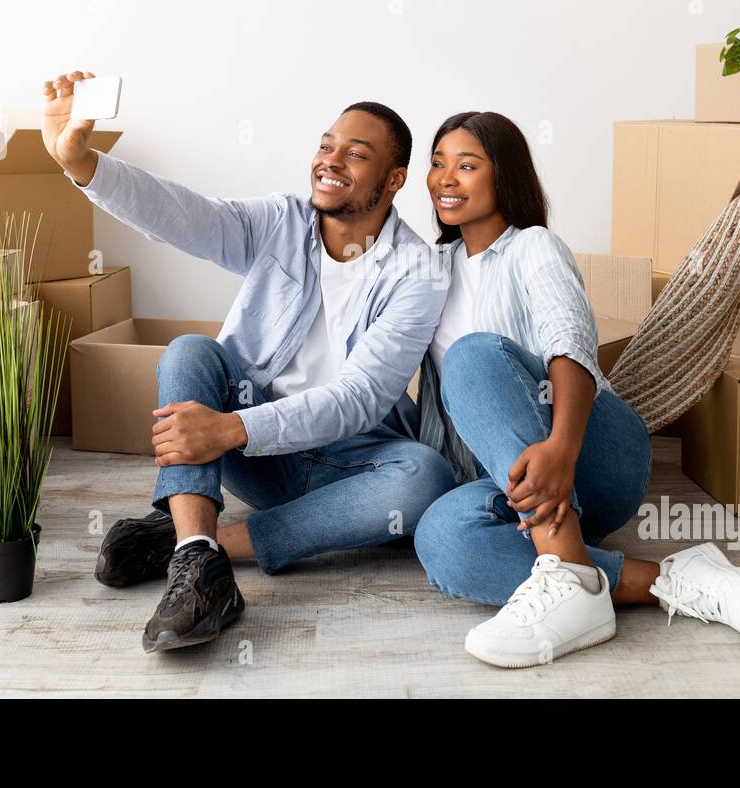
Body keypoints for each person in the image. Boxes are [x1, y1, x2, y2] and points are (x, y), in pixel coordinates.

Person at [41, 71, 456, 654]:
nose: (330, 161)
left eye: (355, 154)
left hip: (345, 462)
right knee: (191, 351)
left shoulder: (420, 271)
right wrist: (83, 164)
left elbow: (360, 398)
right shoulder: (281, 222)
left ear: (394, 179)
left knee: (424, 477)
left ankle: (198, 542)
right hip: (254, 457)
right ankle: (198, 571)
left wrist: (229, 427)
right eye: (325, 145)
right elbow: (186, 216)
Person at [412, 111, 740, 668]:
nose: (445, 179)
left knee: (473, 356)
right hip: (516, 486)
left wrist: (560, 448)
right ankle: (653, 580)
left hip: (592, 451)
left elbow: (569, 342)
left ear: (504, 176)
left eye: (466, 165)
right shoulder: (427, 269)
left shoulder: (534, 247)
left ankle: (570, 574)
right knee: (440, 538)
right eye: (437, 164)